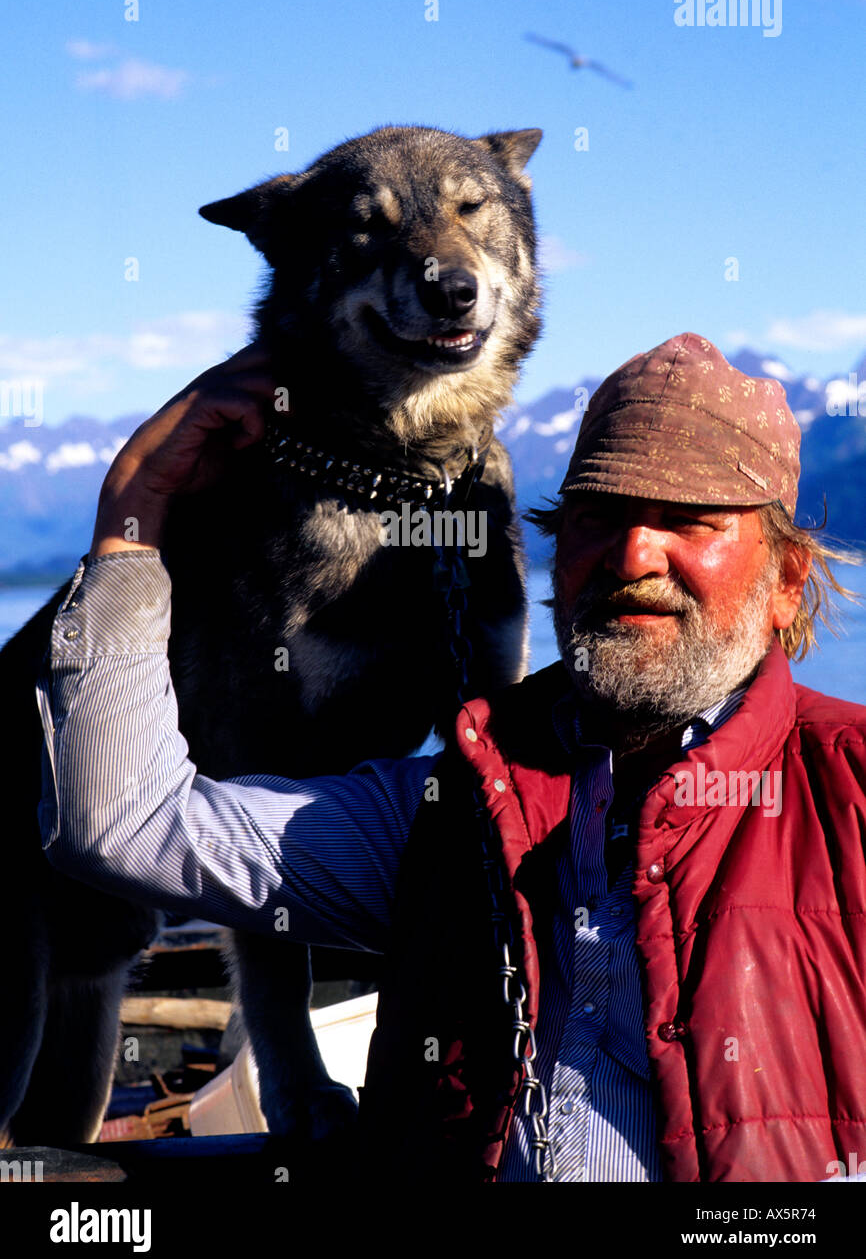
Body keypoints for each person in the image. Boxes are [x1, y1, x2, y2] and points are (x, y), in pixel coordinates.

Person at [37, 332, 866, 1184]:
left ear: (788, 582)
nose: (631, 557)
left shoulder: (853, 797)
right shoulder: (454, 812)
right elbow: (125, 825)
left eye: (689, 520)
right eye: (597, 517)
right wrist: (133, 513)